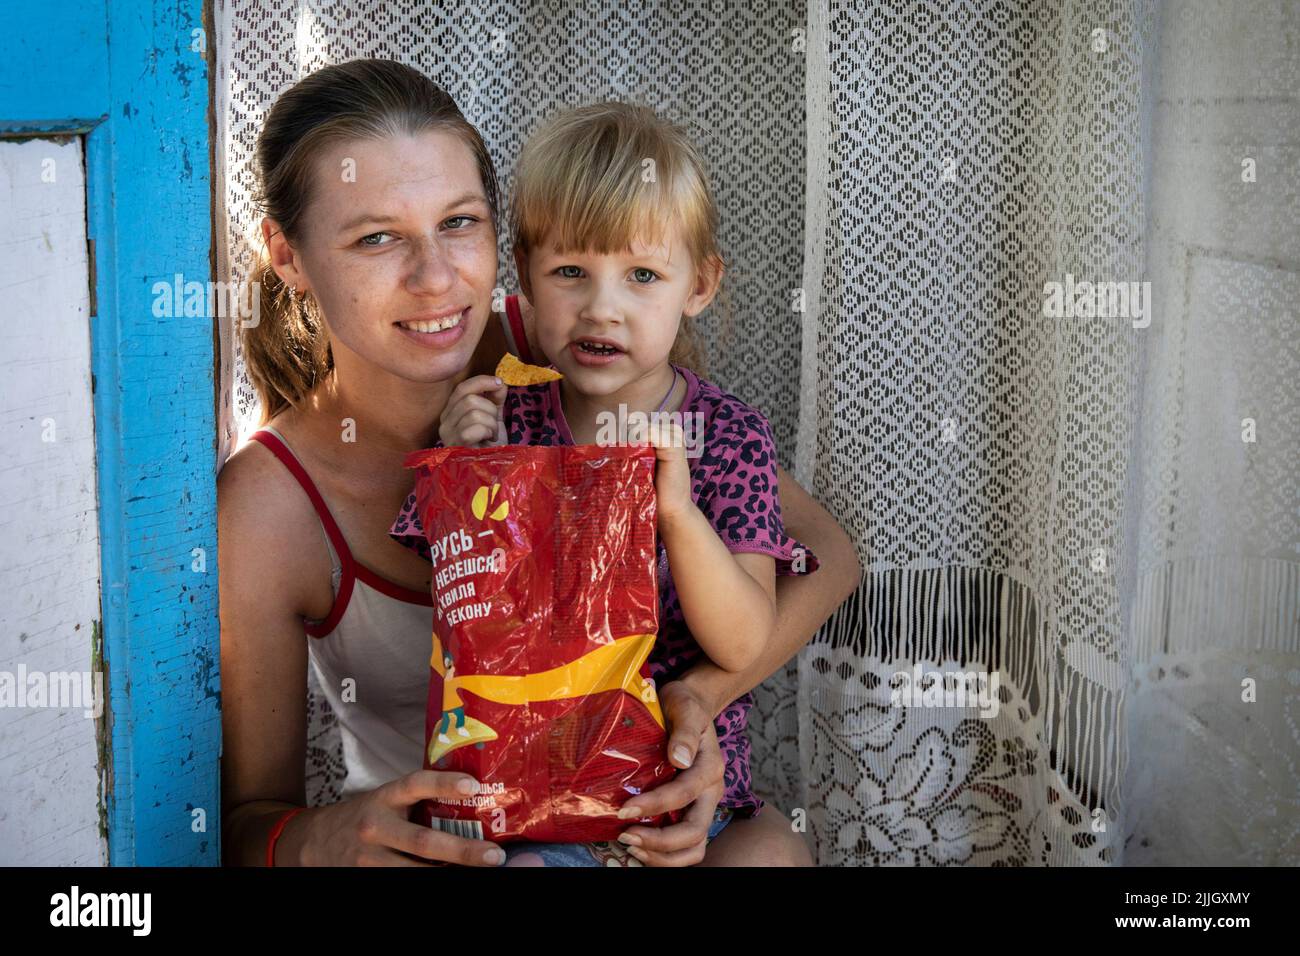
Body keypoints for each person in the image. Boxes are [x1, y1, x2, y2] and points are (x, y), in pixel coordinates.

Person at [219, 58, 861, 867]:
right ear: (287, 255)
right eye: (376, 237)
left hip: (643, 807)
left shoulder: (566, 355)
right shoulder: (270, 503)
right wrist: (320, 839)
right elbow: (238, 826)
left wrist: (694, 707)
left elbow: (828, 557)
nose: (437, 280)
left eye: (458, 223)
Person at [392, 102, 818, 866]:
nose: (602, 307)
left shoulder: (727, 437)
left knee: (776, 854)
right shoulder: (506, 419)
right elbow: (464, 606)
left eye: (643, 275)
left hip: (685, 795)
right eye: (570, 272)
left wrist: (677, 513)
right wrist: (465, 466)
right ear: (523, 275)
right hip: (535, 792)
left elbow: (745, 638)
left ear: (701, 283)